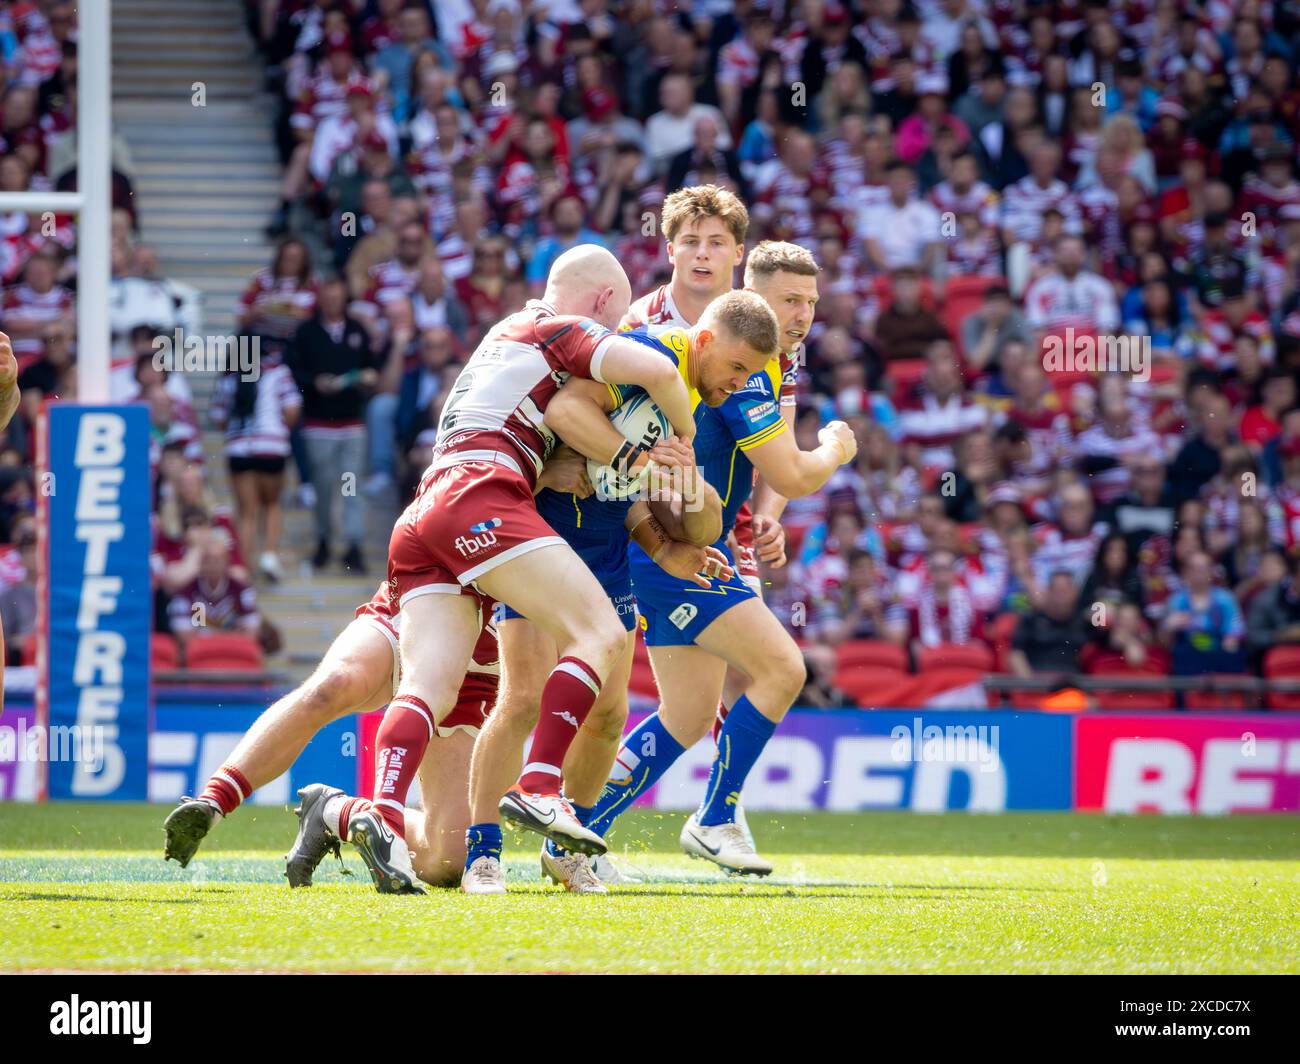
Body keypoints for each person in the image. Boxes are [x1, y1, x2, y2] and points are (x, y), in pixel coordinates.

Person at [294, 245, 701, 894]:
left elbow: (583, 449)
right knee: (542, 679)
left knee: (570, 703)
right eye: (614, 316)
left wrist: (641, 497)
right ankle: (517, 815)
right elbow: (607, 395)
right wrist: (673, 453)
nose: (617, 328)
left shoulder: (526, 339)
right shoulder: (573, 335)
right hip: (504, 510)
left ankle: (396, 816)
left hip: (503, 518)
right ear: (602, 303)